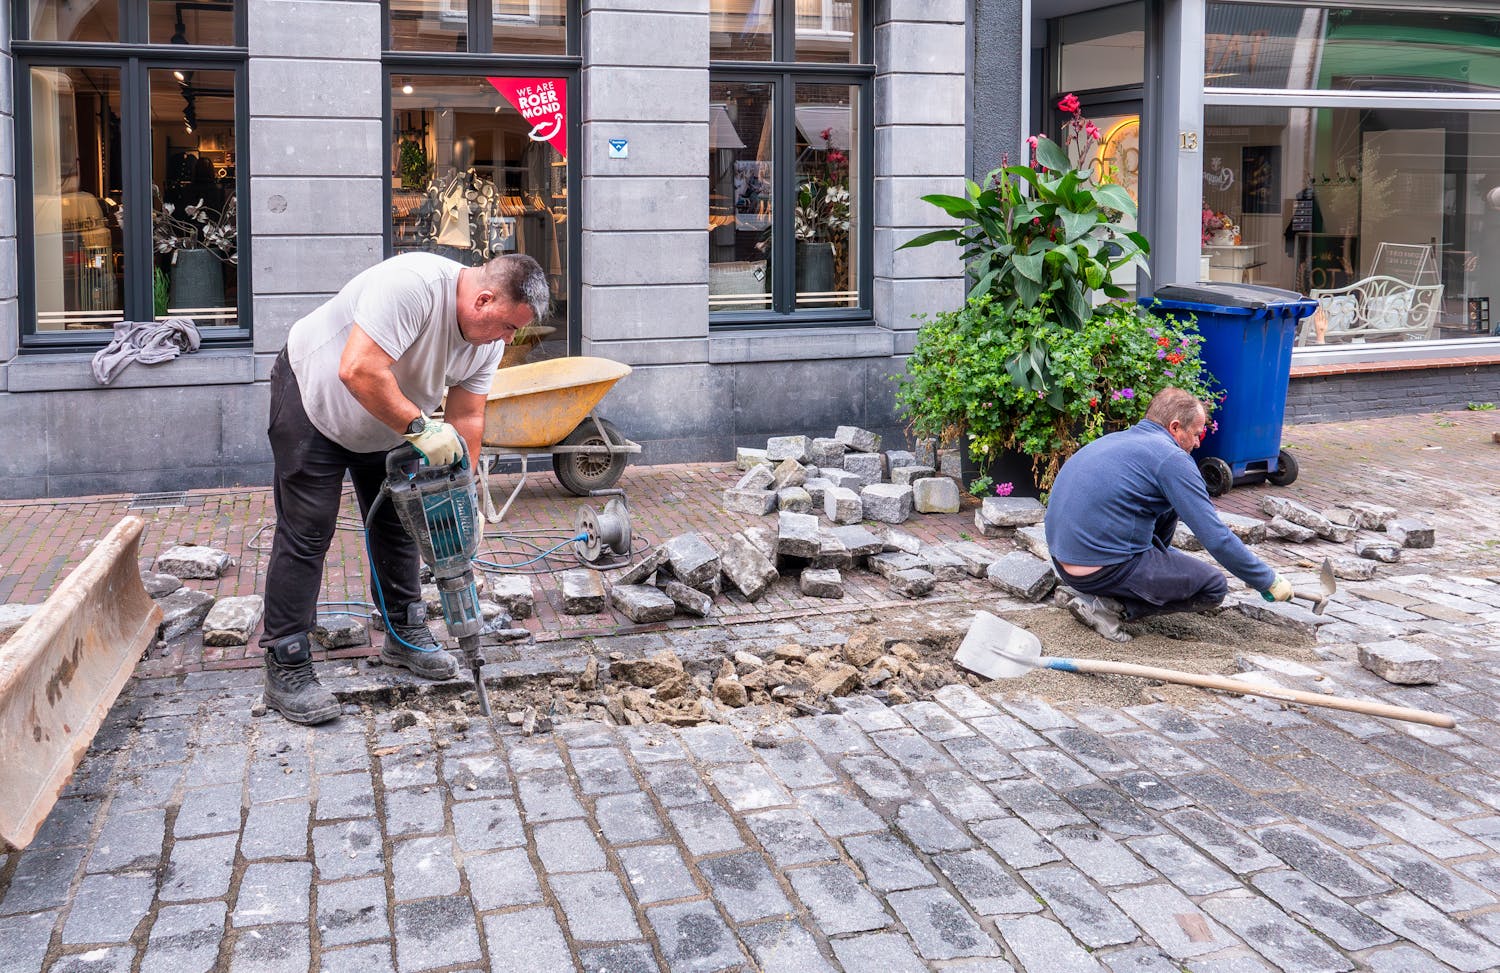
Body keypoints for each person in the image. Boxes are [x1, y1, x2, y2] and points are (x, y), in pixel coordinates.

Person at [259, 251, 549, 724]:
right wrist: (419, 428)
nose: (509, 339)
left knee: (399, 522)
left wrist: (462, 495)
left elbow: (467, 416)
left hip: (393, 421)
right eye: (507, 326)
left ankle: (405, 635)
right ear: (482, 299)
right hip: (315, 404)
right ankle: (286, 662)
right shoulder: (412, 285)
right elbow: (357, 370)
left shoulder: (486, 343)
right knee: (308, 530)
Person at [1044, 387, 1293, 642]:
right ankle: (1109, 609)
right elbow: (1216, 538)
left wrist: (1164, 558)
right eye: (1196, 433)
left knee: (1170, 507)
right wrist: (1267, 580)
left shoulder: (1115, 441)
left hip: (1064, 562)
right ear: (1175, 427)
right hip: (1102, 571)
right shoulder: (1171, 459)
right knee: (1213, 586)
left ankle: (1092, 592)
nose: (1197, 442)